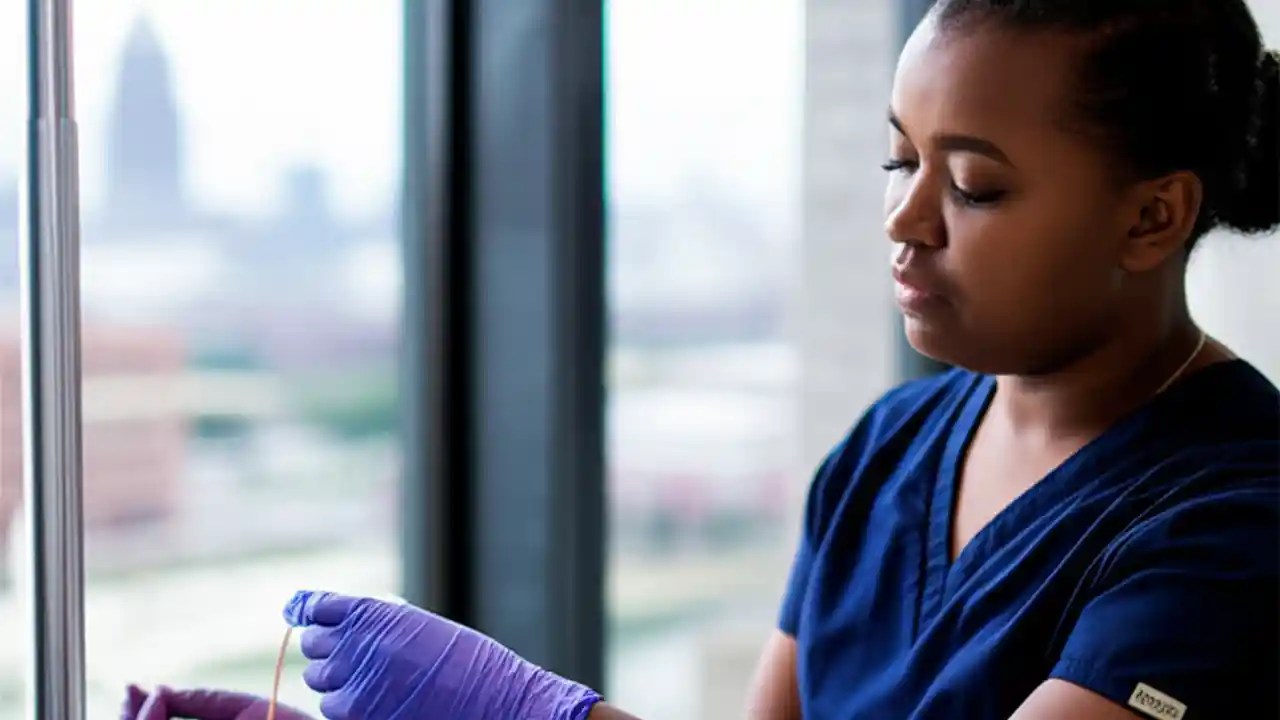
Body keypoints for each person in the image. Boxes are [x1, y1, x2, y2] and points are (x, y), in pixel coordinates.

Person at [123, 0, 1279, 718]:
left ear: (1149, 218)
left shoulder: (1230, 521)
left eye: (972, 185)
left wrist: (532, 717)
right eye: (897, 162)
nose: (904, 220)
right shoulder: (887, 451)